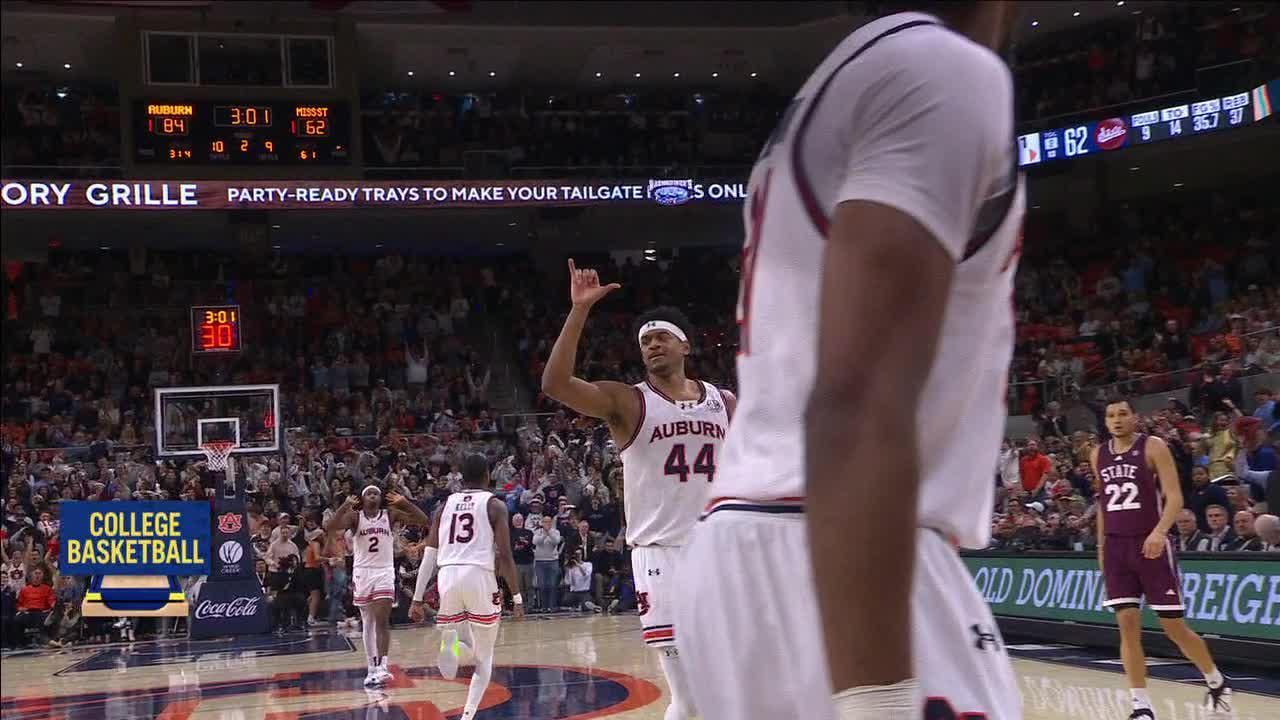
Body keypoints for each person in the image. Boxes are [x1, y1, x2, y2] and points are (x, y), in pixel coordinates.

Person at [675, 2, 1023, 718]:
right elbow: (856, 398)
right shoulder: (944, 71)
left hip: (750, 541)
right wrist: (880, 701)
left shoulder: (842, 81)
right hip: (840, 540)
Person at [541, 263, 736, 720]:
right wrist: (579, 311)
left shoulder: (724, 401)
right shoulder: (627, 401)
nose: (651, 346)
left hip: (718, 551)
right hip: (661, 554)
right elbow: (554, 384)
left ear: (684, 344)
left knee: (726, 690)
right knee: (688, 700)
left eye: (661, 337)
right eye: (645, 341)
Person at [1092, 399, 1231, 718]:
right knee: (1126, 624)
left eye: (1123, 413)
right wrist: (1101, 549)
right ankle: (1141, 705)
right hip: (1116, 546)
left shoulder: (1152, 446)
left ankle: (1216, 680)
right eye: (1111, 415)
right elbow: (1102, 505)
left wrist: (1159, 532)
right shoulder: (1098, 453)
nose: (1116, 419)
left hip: (1150, 542)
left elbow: (1175, 496)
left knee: (1174, 627)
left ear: (1135, 417)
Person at [410, 454, 523, 720]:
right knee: (484, 659)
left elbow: (430, 553)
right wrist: (516, 597)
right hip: (478, 575)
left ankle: (451, 642)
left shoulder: (445, 504)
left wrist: (416, 598)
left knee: (461, 636)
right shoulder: (495, 505)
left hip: (447, 576)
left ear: (461, 476)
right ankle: (468, 716)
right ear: (487, 474)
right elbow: (505, 555)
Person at [325, 484, 430, 688]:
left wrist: (405, 503)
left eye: (376, 493)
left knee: (382, 619)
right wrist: (345, 506)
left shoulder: (389, 515)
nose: (373, 496)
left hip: (384, 571)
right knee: (368, 622)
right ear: (363, 498)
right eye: (369, 493)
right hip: (363, 572)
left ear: (380, 498)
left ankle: (382, 666)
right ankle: (371, 668)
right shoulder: (355, 517)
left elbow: (423, 520)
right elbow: (330, 527)